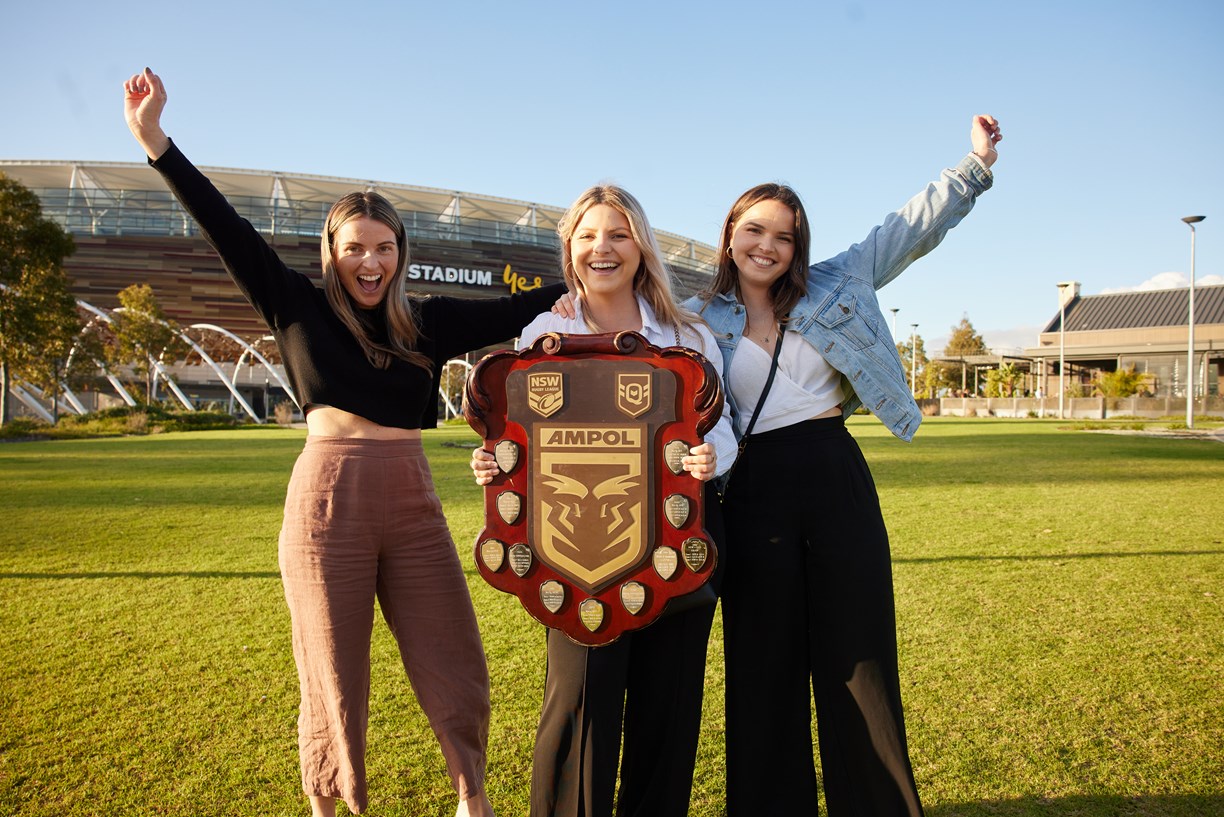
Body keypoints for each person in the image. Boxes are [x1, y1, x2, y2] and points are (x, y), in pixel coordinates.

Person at [123, 68, 567, 817]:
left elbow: (526, 306)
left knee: (453, 654)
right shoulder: (294, 305)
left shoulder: (424, 319)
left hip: (413, 498)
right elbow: (223, 223)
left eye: (385, 247)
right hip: (328, 500)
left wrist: (600, 262)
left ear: (400, 251)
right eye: (356, 247)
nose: (371, 262)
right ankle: (334, 804)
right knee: (330, 666)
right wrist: (155, 142)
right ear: (332, 248)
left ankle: (472, 797)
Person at [688, 115, 1002, 816]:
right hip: (750, 490)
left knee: (859, 658)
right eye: (755, 230)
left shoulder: (839, 280)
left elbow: (908, 228)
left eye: (784, 235)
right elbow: (628, 332)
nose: (767, 245)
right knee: (763, 667)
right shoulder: (697, 317)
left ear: (799, 245)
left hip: (834, 472)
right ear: (730, 234)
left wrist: (973, 167)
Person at [470, 185, 737, 817]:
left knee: (666, 710)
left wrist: (710, 457)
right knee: (579, 704)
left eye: (617, 234)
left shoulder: (685, 334)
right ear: (570, 249)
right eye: (589, 235)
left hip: (675, 538)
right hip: (569, 549)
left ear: (641, 246)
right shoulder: (545, 332)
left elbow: (720, 427)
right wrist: (491, 462)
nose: (603, 248)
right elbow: (514, 438)